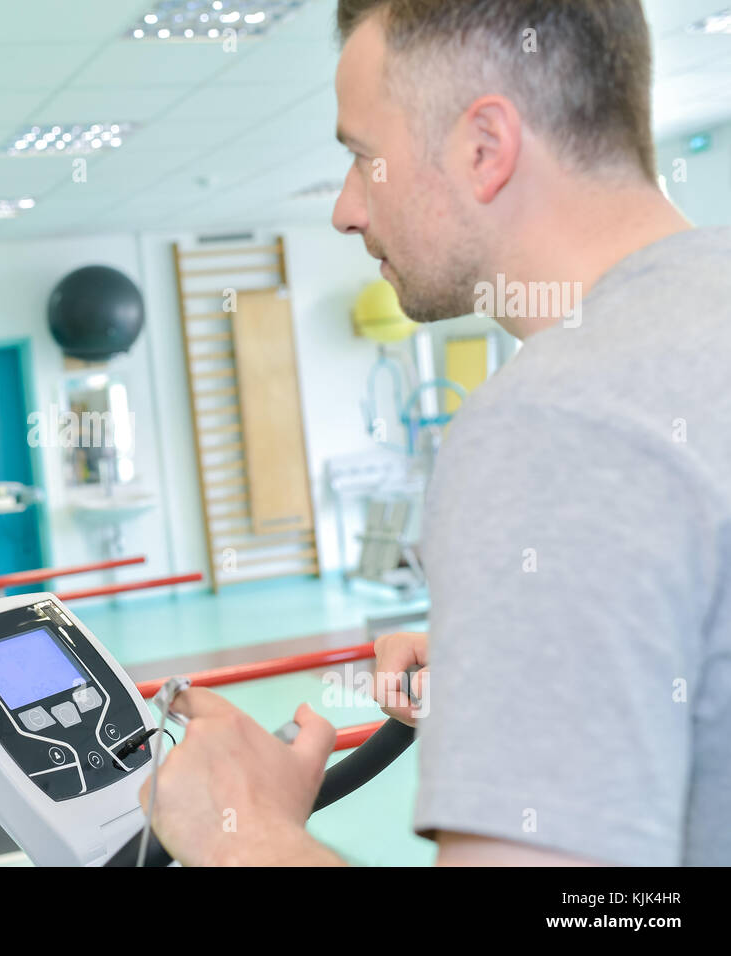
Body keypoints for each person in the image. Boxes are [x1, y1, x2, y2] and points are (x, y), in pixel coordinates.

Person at [141, 0, 731, 866]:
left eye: (362, 159)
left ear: (484, 148)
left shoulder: (551, 421)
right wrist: (517, 659)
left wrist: (245, 833)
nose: (345, 210)